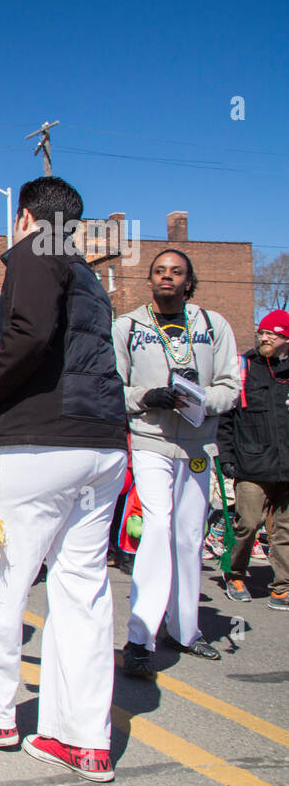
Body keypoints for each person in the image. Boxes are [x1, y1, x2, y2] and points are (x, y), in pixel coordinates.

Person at [0, 176, 127, 783]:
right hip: (103, 445)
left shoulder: (34, 250)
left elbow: (28, 338)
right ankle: (79, 740)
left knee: (3, 578)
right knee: (83, 591)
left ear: (24, 217)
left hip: (44, 440)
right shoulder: (91, 276)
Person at [113, 249, 240, 675]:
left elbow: (230, 385)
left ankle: (184, 630)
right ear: (150, 280)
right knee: (158, 526)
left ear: (189, 281)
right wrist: (146, 397)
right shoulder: (128, 326)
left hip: (199, 446)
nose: (168, 277)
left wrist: (202, 401)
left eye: (177, 272)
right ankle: (139, 637)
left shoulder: (212, 325)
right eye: (160, 271)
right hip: (151, 441)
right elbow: (112, 386)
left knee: (188, 537)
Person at [217, 310, 289, 610]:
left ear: (286, 337)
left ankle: (282, 586)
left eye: (271, 333)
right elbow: (226, 419)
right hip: (251, 464)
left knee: (284, 530)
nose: (264, 337)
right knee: (247, 523)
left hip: (286, 467)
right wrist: (227, 457)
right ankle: (234, 574)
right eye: (261, 333)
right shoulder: (244, 368)